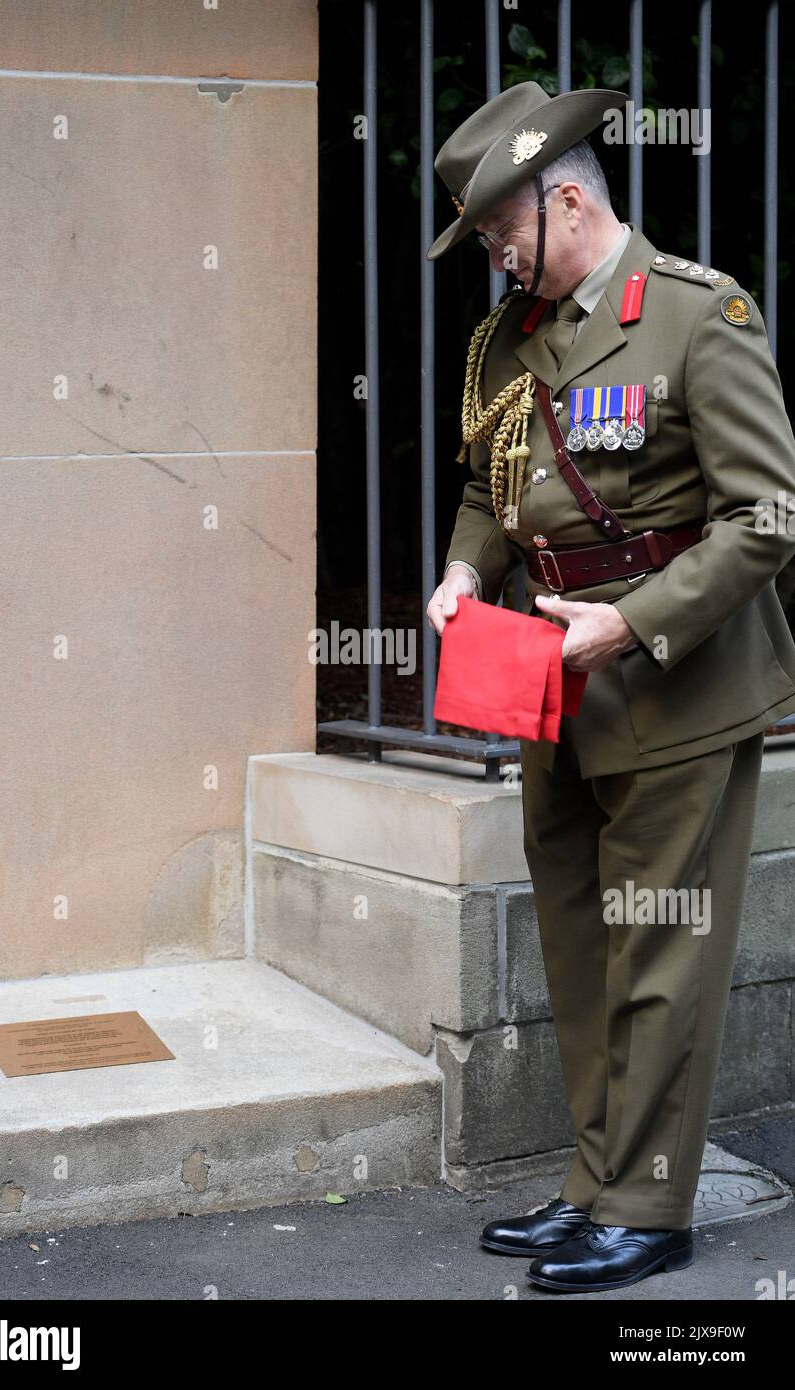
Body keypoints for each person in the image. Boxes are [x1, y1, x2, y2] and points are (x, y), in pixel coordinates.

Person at [425, 80, 795, 1294]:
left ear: (565, 197)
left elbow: (763, 518)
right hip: (550, 690)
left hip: (673, 692)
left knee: (658, 951)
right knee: (582, 949)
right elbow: (492, 491)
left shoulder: (696, 316)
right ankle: (595, 1186)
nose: (490, 255)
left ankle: (647, 1203)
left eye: (496, 232)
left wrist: (627, 625)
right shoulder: (516, 339)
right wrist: (457, 578)